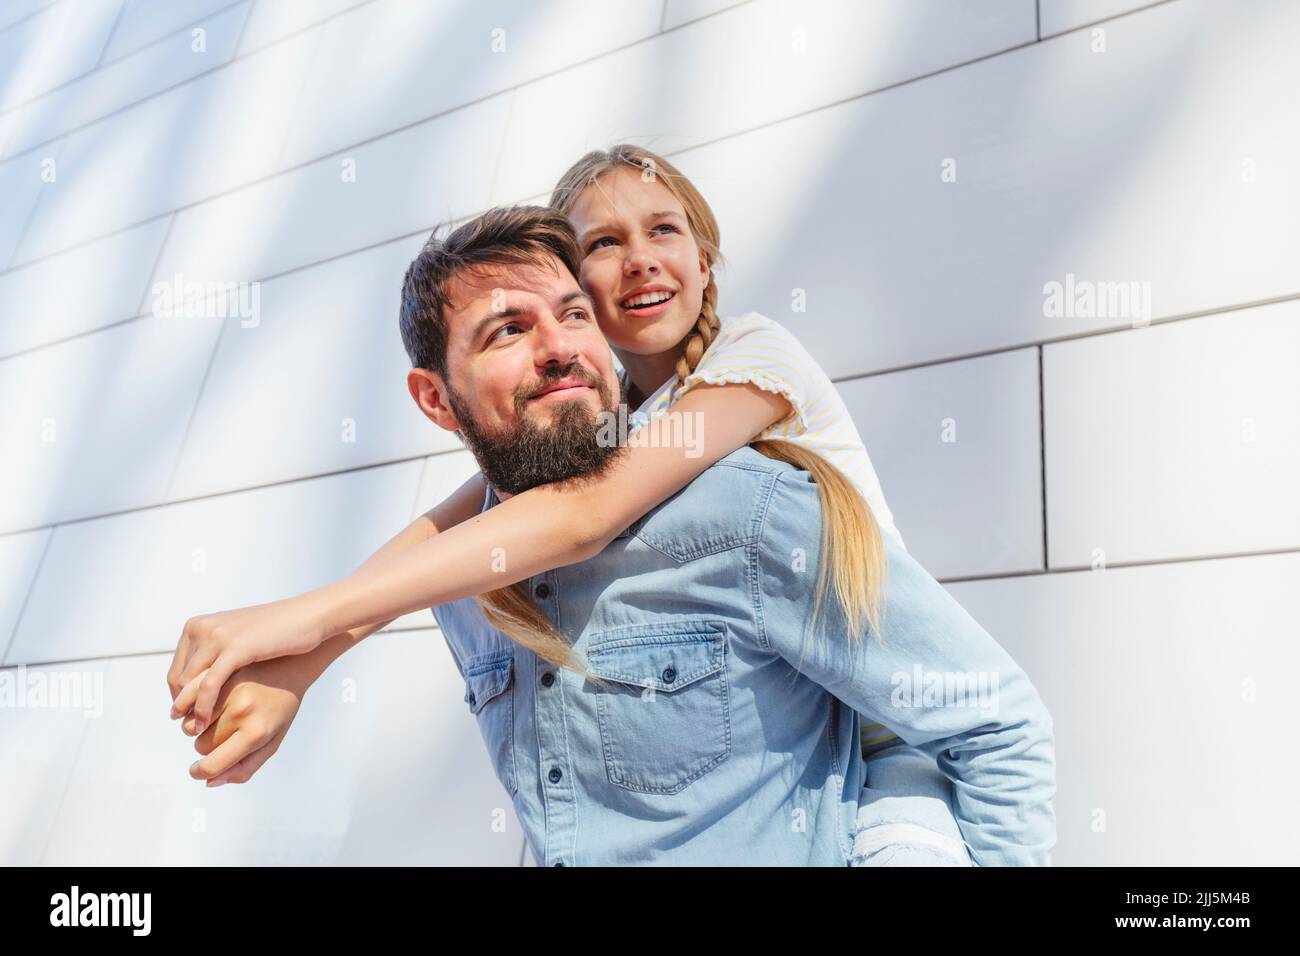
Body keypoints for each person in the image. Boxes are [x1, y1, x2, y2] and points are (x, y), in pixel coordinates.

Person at [167, 202, 1056, 865]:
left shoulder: (749, 500)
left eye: (574, 315)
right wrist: (303, 659)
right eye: (509, 330)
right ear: (435, 399)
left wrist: (308, 634)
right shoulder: (464, 580)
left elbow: (998, 727)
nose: (560, 346)